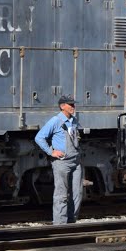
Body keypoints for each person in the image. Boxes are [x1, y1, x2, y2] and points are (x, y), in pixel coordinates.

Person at [35, 95, 84, 224]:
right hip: (62, 162)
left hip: (76, 161)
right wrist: (51, 152)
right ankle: (60, 225)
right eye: (70, 105)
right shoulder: (55, 121)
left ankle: (72, 221)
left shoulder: (73, 120)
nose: (73, 107)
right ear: (62, 106)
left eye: (74, 104)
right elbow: (39, 137)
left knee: (77, 194)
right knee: (61, 194)